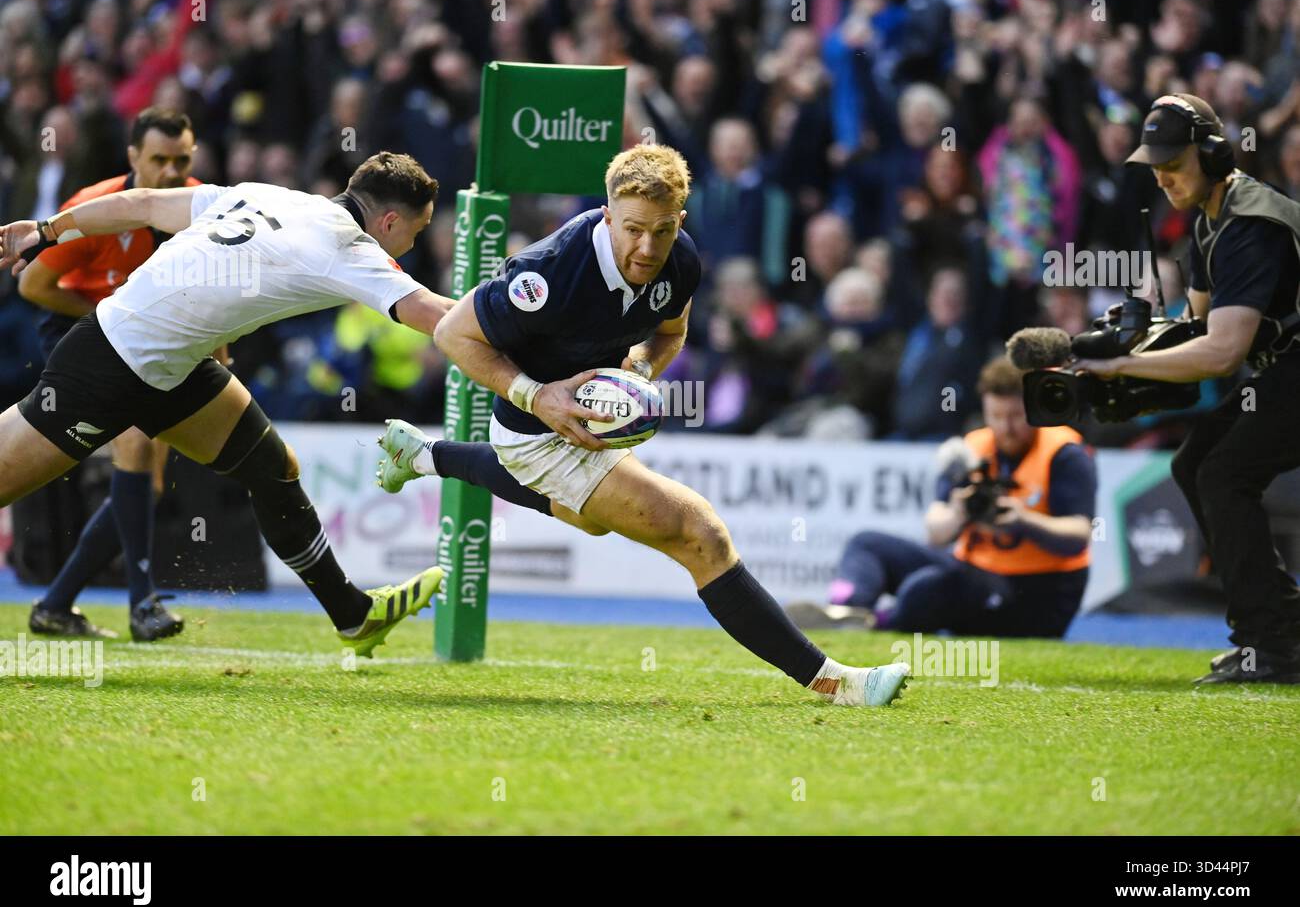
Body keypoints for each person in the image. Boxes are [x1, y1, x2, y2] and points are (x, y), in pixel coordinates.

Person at [376, 144, 910, 708]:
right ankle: (837, 684)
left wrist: (639, 371)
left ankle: (422, 454)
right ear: (607, 216)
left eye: (661, 231)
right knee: (699, 534)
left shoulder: (680, 259)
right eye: (632, 230)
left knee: (590, 521)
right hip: (534, 434)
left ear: (679, 220)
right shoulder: (548, 271)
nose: (646, 247)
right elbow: (452, 334)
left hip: (587, 423)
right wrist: (539, 395)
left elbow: (669, 334)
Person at [0, 152, 451, 657]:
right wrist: (519, 319)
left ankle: (353, 616)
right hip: (109, 361)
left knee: (272, 466)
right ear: (389, 221)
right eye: (416, 231)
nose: (411, 247)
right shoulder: (347, 246)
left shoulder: (267, 193)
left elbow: (143, 203)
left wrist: (46, 228)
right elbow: (436, 316)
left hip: (174, 365)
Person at [1075, 93, 1300, 684]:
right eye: (1155, 164)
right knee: (1198, 461)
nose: (1161, 176)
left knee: (1223, 473)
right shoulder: (1211, 220)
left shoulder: (1249, 224)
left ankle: (1272, 646)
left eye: (1173, 163)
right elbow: (1194, 325)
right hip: (1284, 367)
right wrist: (1128, 333)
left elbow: (1222, 351)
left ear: (1214, 154)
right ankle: (1280, 630)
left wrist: (1121, 369)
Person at [18, 107, 202, 641]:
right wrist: (110, 318)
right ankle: (143, 604)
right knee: (137, 452)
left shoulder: (202, 206)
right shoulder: (94, 209)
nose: (171, 171)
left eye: (182, 159)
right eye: (159, 160)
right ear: (132, 159)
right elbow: (33, 286)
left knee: (149, 481)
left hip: (160, 346)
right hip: (87, 336)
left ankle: (55, 606)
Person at [818, 357, 1096, 638]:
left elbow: (1078, 534)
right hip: (974, 570)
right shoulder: (971, 450)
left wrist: (1023, 520)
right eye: (996, 416)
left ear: (1035, 409)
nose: (1006, 428)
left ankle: (881, 624)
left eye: (1015, 416)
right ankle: (845, 610)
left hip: (1039, 590)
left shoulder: (1064, 452)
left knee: (930, 587)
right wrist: (959, 513)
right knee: (867, 543)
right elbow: (935, 533)